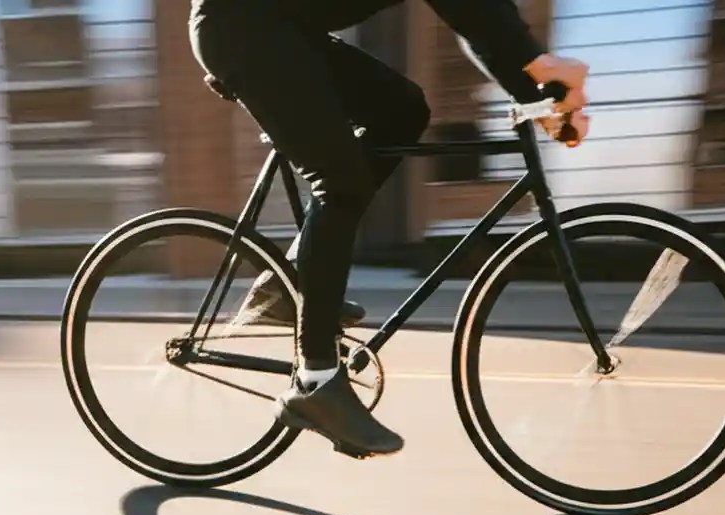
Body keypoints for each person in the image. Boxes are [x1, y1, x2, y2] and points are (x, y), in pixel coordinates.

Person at [188, 0, 590, 458]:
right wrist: (537, 69)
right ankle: (316, 381)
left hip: (285, 27)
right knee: (338, 182)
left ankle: (295, 281)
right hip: (244, 25)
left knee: (402, 110)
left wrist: (533, 88)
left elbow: (473, 13)